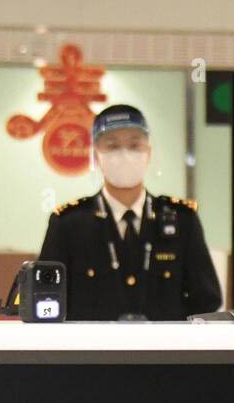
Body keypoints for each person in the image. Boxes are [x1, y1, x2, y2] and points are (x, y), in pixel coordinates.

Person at [38, 104, 221, 321]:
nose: (124, 155)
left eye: (134, 145)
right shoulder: (69, 224)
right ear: (96, 156)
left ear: (148, 153)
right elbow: (45, 300)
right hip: (92, 352)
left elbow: (207, 299)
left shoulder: (182, 220)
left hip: (163, 351)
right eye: (112, 146)